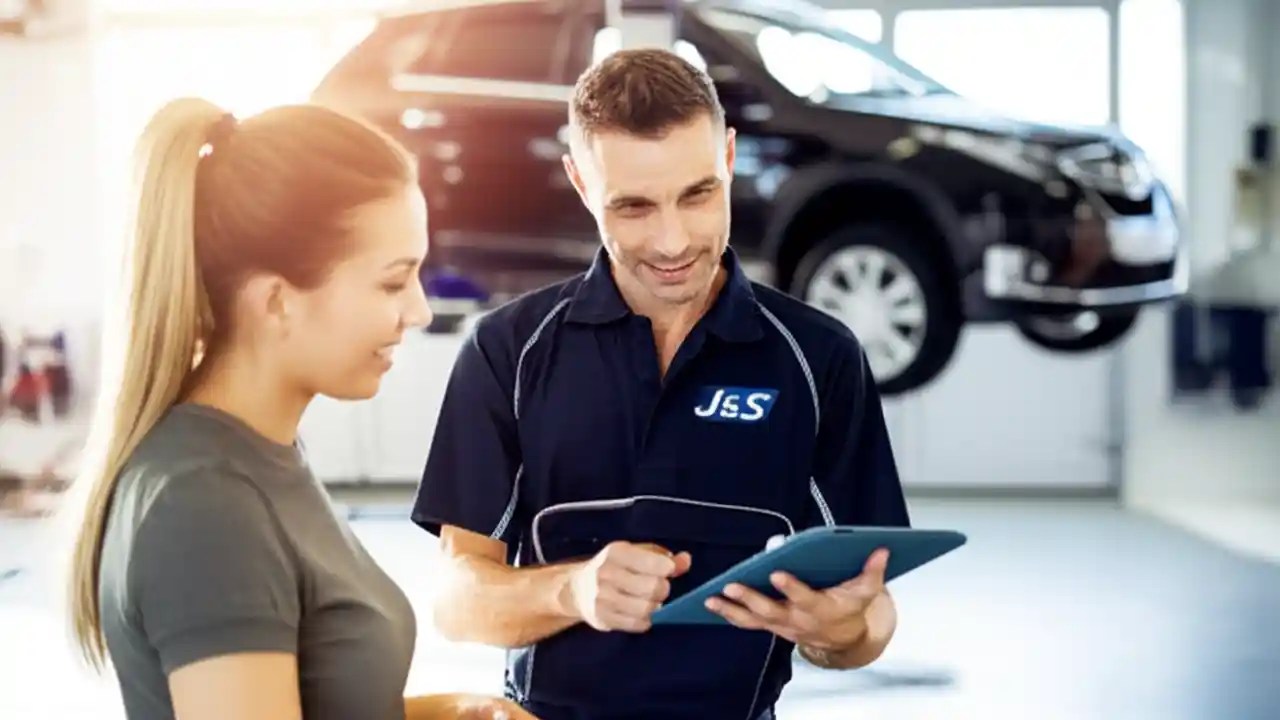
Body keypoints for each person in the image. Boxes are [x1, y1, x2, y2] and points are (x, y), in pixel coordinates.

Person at [412, 48, 911, 720]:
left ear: (728, 157)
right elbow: (456, 601)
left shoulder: (821, 359)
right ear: (581, 183)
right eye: (634, 207)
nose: (673, 242)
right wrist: (573, 590)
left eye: (698, 195)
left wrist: (842, 631)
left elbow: (873, 611)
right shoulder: (507, 353)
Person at [64, 97, 537, 720]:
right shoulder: (205, 505)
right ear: (277, 302)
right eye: (392, 282)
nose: (419, 311)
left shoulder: (259, 455)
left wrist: (447, 711)